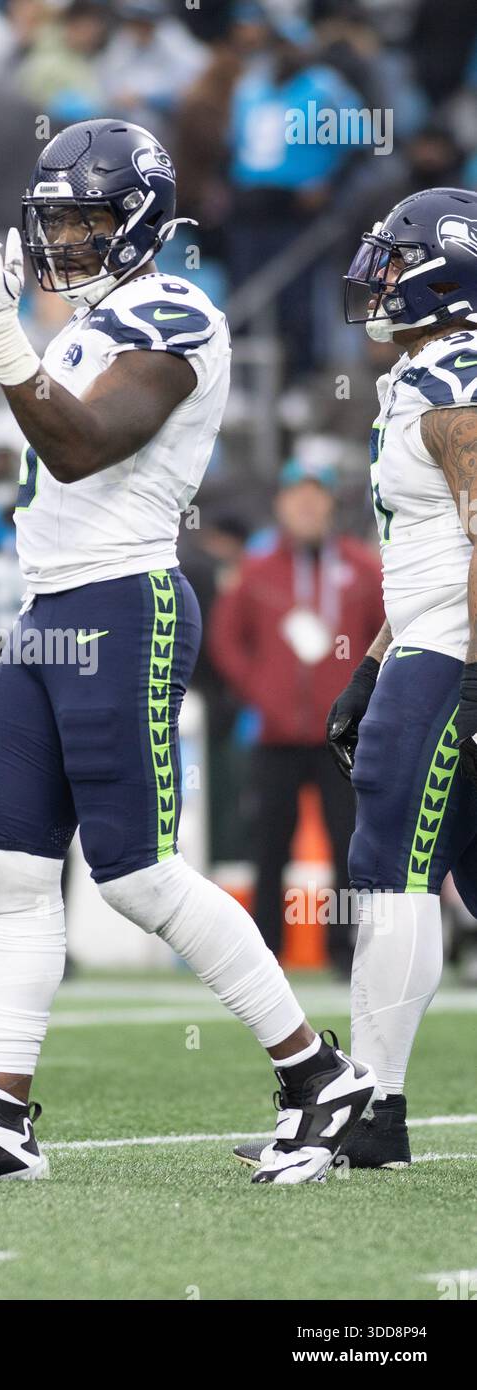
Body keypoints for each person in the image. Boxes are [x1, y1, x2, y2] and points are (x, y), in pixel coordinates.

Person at [0, 118, 376, 1187]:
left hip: (121, 602)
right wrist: (6, 332)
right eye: (57, 220)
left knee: (134, 874)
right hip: (41, 608)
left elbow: (82, 442)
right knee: (8, 868)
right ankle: (2, 1117)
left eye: (89, 220)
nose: (66, 240)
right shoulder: (83, 323)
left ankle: (314, 1073)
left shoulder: (176, 311)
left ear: (140, 223)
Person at [235, 185, 477, 1173]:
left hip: (454, 653)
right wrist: (371, 663)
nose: (374, 280)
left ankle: (372, 1104)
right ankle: (375, 1103)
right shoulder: (423, 376)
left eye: (392, 261)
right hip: (425, 642)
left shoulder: (452, 384)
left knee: (387, 865)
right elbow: (424, 547)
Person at [208, 453, 384, 969]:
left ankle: (344, 948)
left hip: (343, 736)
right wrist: (259, 689)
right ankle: (265, 950)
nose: (307, 507)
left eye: (316, 497)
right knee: (269, 844)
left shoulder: (360, 568)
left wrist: (363, 697)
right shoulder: (258, 570)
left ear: (331, 504)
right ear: (281, 504)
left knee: (347, 845)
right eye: (297, 497)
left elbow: (385, 632)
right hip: (276, 733)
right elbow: (226, 639)